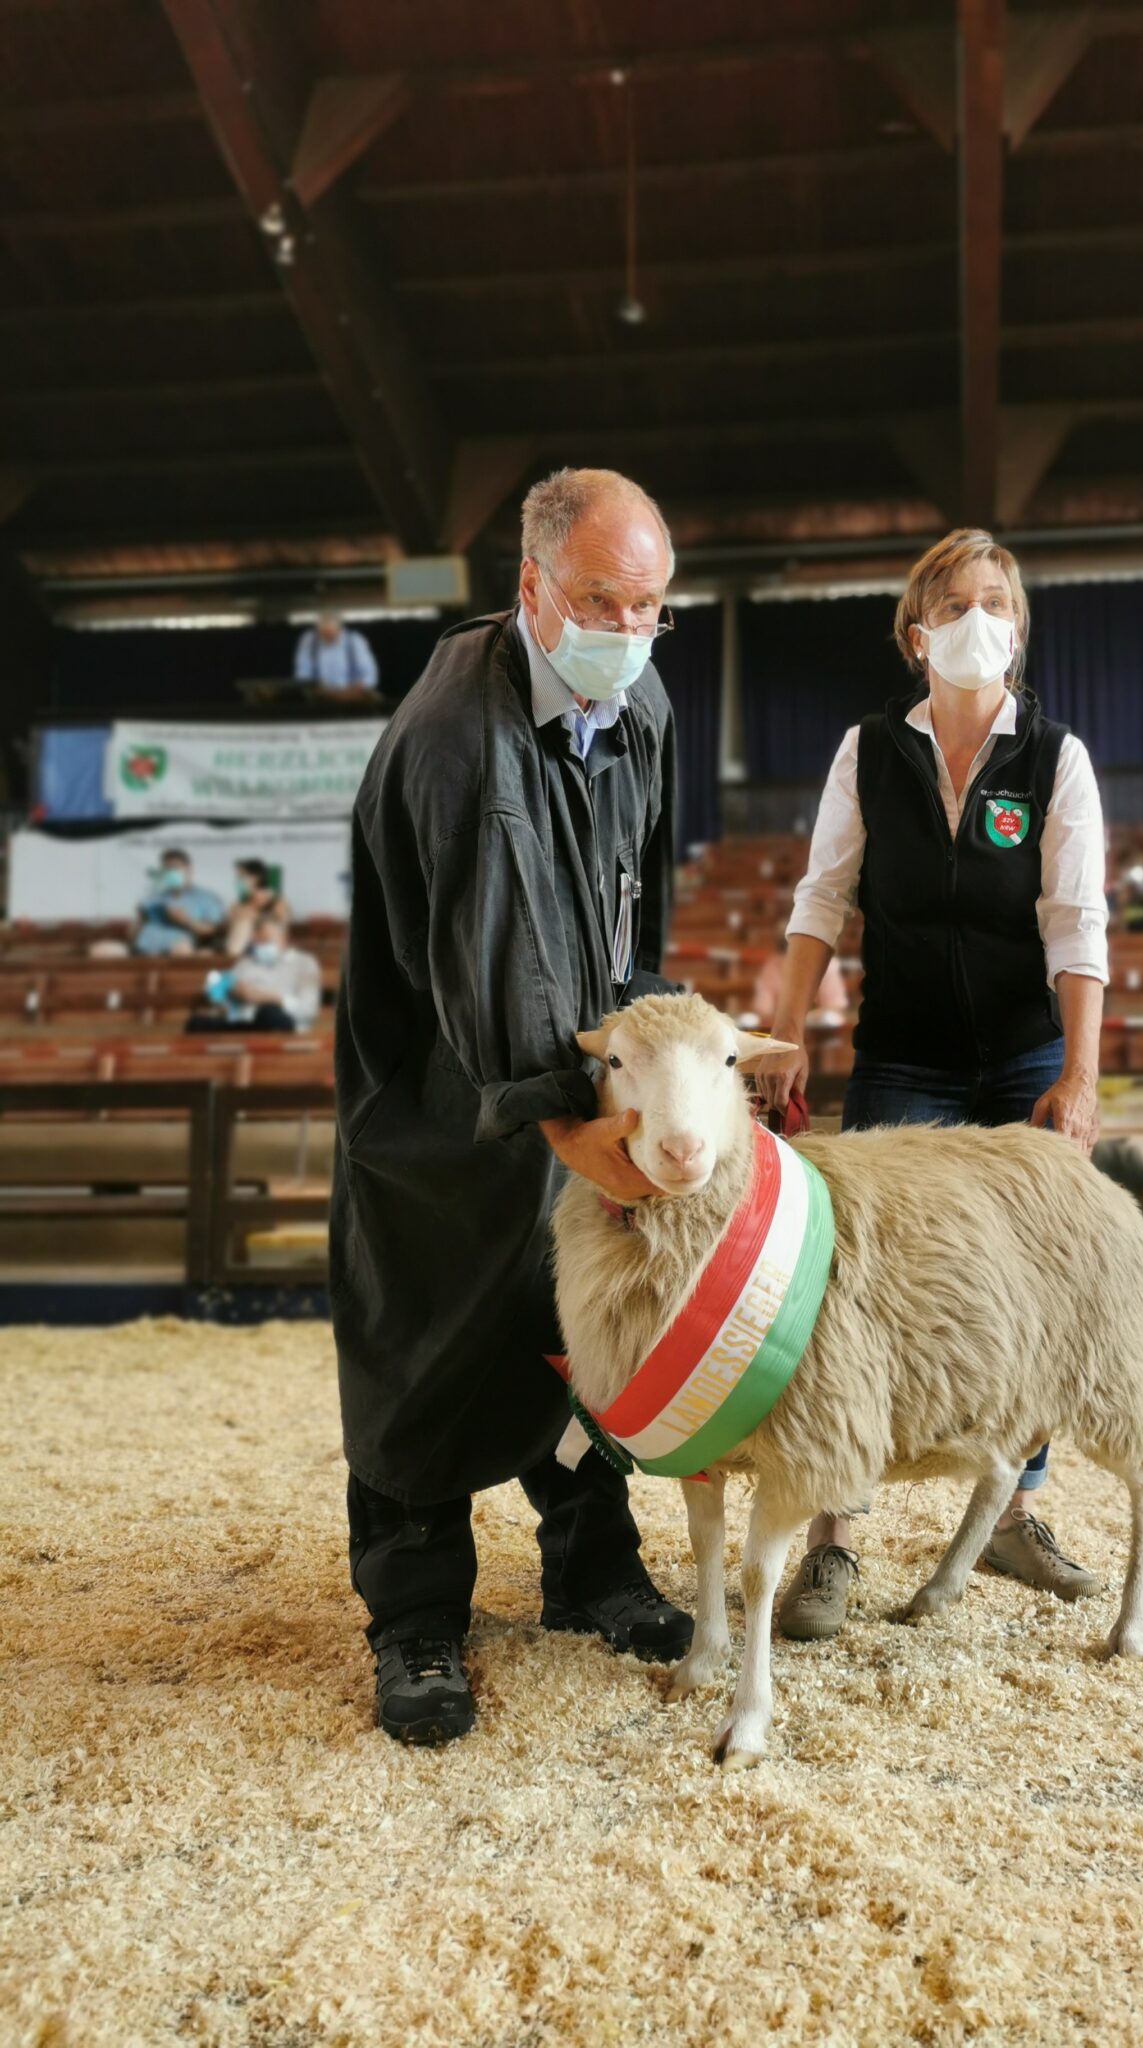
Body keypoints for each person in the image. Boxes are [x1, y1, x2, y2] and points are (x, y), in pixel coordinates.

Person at [332, 467, 690, 1747]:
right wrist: (576, 1122)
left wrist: (651, 1057)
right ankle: (416, 1613)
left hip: (572, 1078)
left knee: (581, 1341)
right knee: (419, 1344)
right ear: (531, 587)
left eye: (652, 606)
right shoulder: (457, 736)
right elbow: (493, 961)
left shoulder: (636, 690)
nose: (629, 630)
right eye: (602, 600)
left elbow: (641, 899)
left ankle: (594, 1566)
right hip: (440, 1102)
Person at [759, 527, 1111, 1642]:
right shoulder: (869, 750)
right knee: (856, 1286)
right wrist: (784, 1032)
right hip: (902, 1050)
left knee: (1037, 1290)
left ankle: (1013, 1513)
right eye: (957, 603)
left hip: (1020, 1054)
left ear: (1019, 626)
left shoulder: (1056, 758)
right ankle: (834, 1537)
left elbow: (1077, 922)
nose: (980, 620)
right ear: (919, 634)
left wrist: (1080, 1074)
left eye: (997, 601)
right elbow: (822, 897)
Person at [187, 911, 320, 1034]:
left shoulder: (304, 963)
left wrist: (267, 998)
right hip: (242, 1024)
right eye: (257, 943)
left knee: (270, 1014)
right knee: (197, 1023)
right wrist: (230, 994)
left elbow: (308, 1010)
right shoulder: (246, 962)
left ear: (283, 939)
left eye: (265, 941)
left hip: (280, 1025)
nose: (261, 947)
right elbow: (224, 999)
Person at [130, 849, 225, 957]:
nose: (170, 873)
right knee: (109, 950)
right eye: (166, 869)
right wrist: (138, 918)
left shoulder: (207, 898)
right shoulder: (153, 897)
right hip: (144, 950)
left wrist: (185, 921)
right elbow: (133, 935)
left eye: (174, 868)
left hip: (179, 951)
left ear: (188, 870)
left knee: (182, 949)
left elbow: (213, 931)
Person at [293, 610, 379, 693]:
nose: (326, 637)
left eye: (330, 633)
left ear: (339, 629)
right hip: (319, 695)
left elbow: (369, 676)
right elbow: (303, 674)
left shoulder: (355, 641)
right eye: (323, 633)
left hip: (350, 694)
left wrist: (358, 687)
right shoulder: (309, 640)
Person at [223, 858, 291, 959]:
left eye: (242, 877)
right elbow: (231, 926)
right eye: (237, 877)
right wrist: (251, 907)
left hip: (271, 948)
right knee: (243, 924)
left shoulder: (278, 902)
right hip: (243, 950)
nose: (238, 880)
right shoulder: (237, 906)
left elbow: (282, 923)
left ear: (256, 877)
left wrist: (262, 905)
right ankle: (232, 963)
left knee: (268, 927)